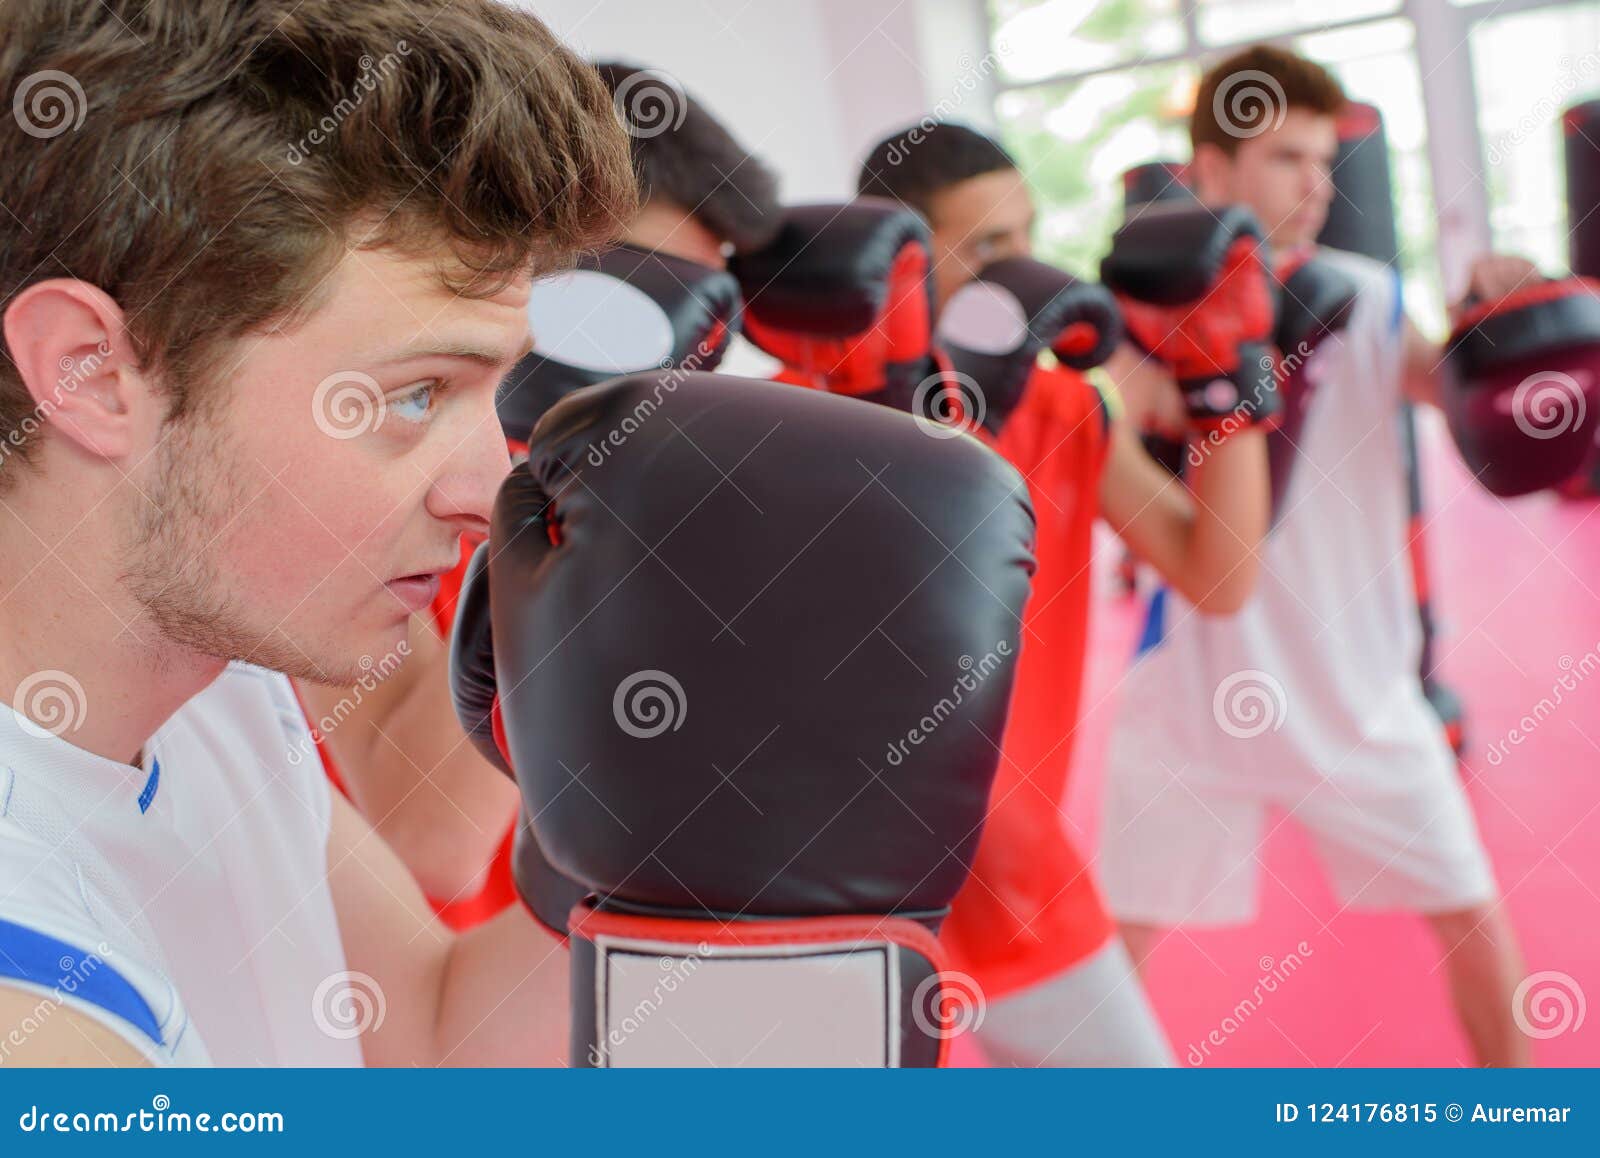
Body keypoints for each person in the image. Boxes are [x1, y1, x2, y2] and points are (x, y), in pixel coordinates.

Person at [0, 0, 638, 1065]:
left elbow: (428, 1035)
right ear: (91, 372)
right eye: (414, 393)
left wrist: (696, 846)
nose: (492, 493)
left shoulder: (222, 690)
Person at [1099, 44, 1533, 1066]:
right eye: (1287, 158)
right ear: (1210, 170)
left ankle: (1520, 1116)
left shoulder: (1367, 292)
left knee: (1467, 912)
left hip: (1356, 686)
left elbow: (1455, 394)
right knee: (1111, 941)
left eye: (1322, 160)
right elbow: (1135, 426)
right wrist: (1204, 349)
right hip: (1197, 682)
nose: (1316, 184)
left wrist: (1500, 316)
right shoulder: (1143, 309)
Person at [295, 60, 784, 928]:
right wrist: (589, 498)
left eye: (703, 308)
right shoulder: (360, 456)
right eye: (640, 296)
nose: (670, 343)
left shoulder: (688, 461)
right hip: (438, 1017)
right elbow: (432, 840)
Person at [845, 122, 1274, 1065]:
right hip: (837, 880)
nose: (1025, 268)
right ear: (902, 260)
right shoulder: (812, 408)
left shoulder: (1061, 405)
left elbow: (1219, 574)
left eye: (1029, 235)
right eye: (990, 246)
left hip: (1016, 872)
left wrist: (1222, 383)